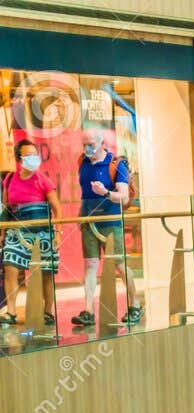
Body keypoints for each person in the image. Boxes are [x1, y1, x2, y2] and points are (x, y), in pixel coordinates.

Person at [75, 132, 142, 328]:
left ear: (102, 143)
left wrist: (105, 192)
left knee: (119, 265)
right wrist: (81, 216)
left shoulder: (116, 165)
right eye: (84, 144)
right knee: (90, 265)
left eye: (91, 144)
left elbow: (123, 197)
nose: (87, 148)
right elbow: (84, 194)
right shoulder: (82, 162)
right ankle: (88, 310)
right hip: (89, 221)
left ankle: (135, 304)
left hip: (111, 221)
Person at [1, 140, 62, 327]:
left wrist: (58, 233)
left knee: (46, 273)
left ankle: (48, 312)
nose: (33, 158)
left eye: (35, 154)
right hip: (17, 231)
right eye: (28, 155)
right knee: (10, 267)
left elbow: (57, 210)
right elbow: (6, 209)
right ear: (19, 159)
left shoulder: (43, 180)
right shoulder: (9, 180)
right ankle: (10, 311)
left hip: (42, 233)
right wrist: (3, 232)